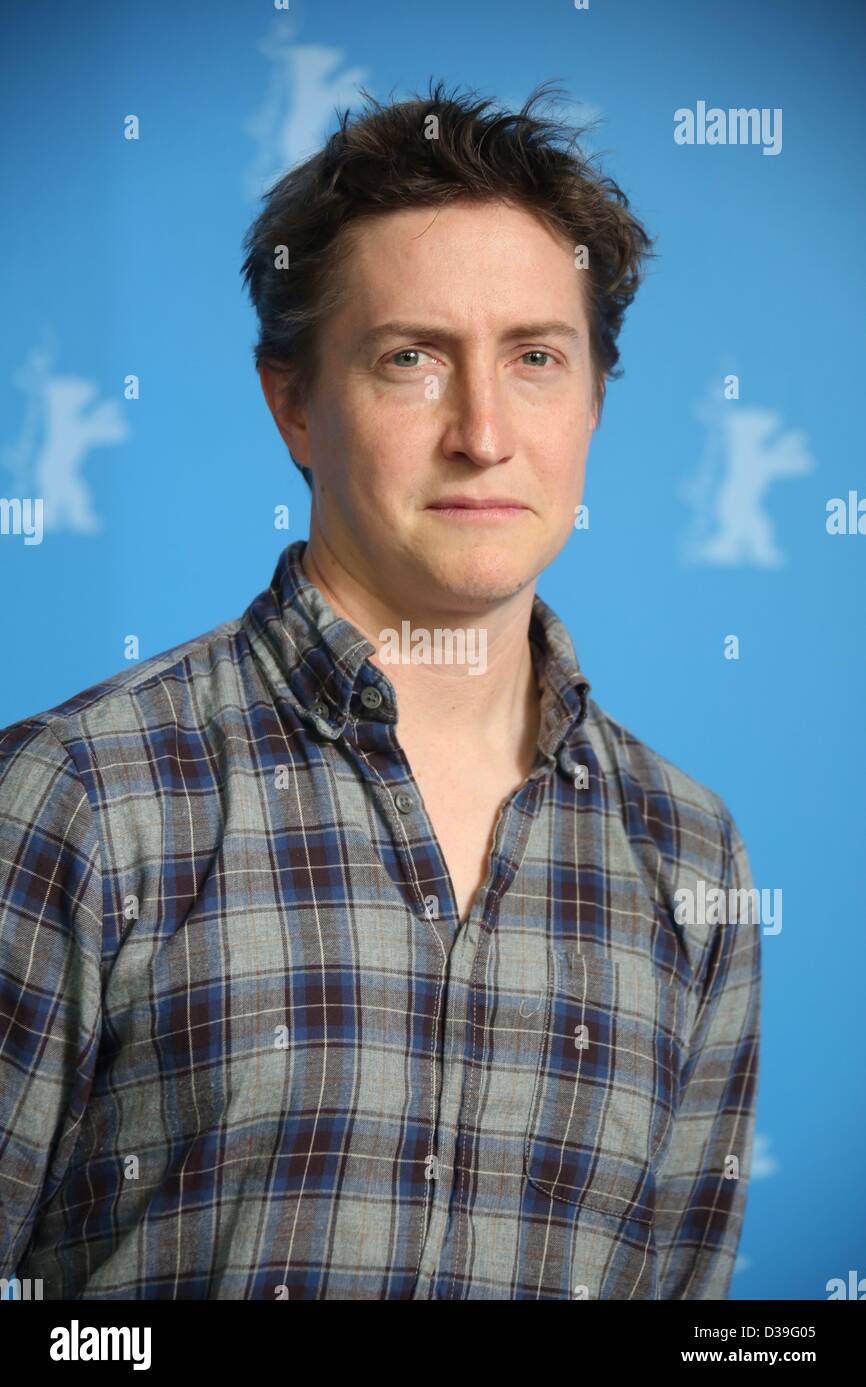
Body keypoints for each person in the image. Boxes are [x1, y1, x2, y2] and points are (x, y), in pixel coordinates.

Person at [0, 81, 760, 1300]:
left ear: (594, 402)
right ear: (293, 403)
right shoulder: (78, 798)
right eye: (411, 358)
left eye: (534, 359)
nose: (481, 432)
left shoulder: (688, 851)